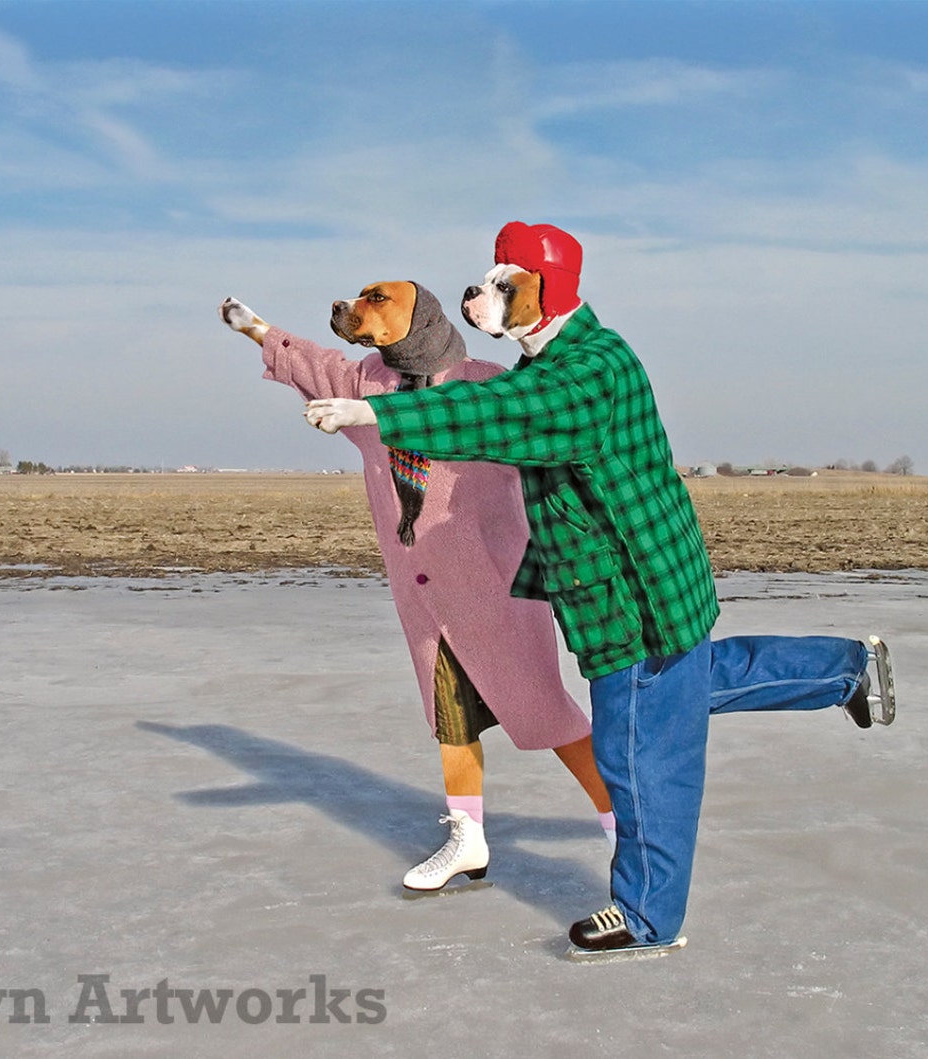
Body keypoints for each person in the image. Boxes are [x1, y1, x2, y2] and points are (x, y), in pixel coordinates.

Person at [303, 223, 895, 955]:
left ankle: (648, 914)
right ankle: (849, 668)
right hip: (650, 581)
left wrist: (375, 411)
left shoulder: (582, 377)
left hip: (633, 598)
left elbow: (499, 415)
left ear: (550, 293)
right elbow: (505, 402)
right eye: (487, 282)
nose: (482, 296)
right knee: (695, 681)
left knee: (640, 754)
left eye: (504, 286)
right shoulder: (560, 357)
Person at [218, 283, 614, 893]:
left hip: (494, 584)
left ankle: (623, 827)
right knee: (449, 716)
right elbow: (320, 365)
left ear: (418, 317)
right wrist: (259, 330)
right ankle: (468, 837)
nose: (355, 307)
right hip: (423, 586)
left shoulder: (485, 382)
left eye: (376, 300)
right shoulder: (369, 383)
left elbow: (545, 439)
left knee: (543, 709)